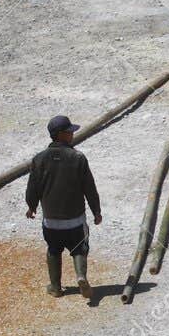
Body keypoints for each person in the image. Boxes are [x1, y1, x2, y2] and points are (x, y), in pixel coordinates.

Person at [24, 115, 102, 300]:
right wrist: (96, 211)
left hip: (51, 221)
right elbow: (89, 188)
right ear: (60, 134)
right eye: (69, 132)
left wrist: (31, 206)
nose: (72, 134)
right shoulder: (78, 158)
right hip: (75, 220)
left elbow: (33, 187)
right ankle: (81, 276)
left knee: (53, 249)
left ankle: (56, 287)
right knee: (79, 248)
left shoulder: (39, 159)